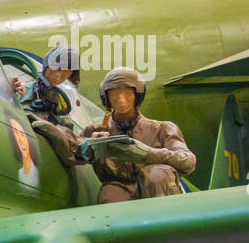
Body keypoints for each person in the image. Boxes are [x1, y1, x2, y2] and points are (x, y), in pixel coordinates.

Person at [81, 66, 195, 203]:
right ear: (106, 97)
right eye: (114, 94)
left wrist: (149, 154)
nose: (121, 99)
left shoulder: (163, 129)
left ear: (137, 95)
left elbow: (188, 161)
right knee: (111, 192)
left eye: (127, 93)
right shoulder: (93, 133)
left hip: (159, 193)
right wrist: (87, 148)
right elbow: (73, 151)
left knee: (157, 175)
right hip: (118, 193)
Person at [12, 45, 84, 168]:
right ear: (46, 66)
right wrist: (11, 90)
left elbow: (67, 130)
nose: (58, 76)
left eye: (65, 74)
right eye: (54, 70)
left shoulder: (60, 102)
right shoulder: (24, 89)